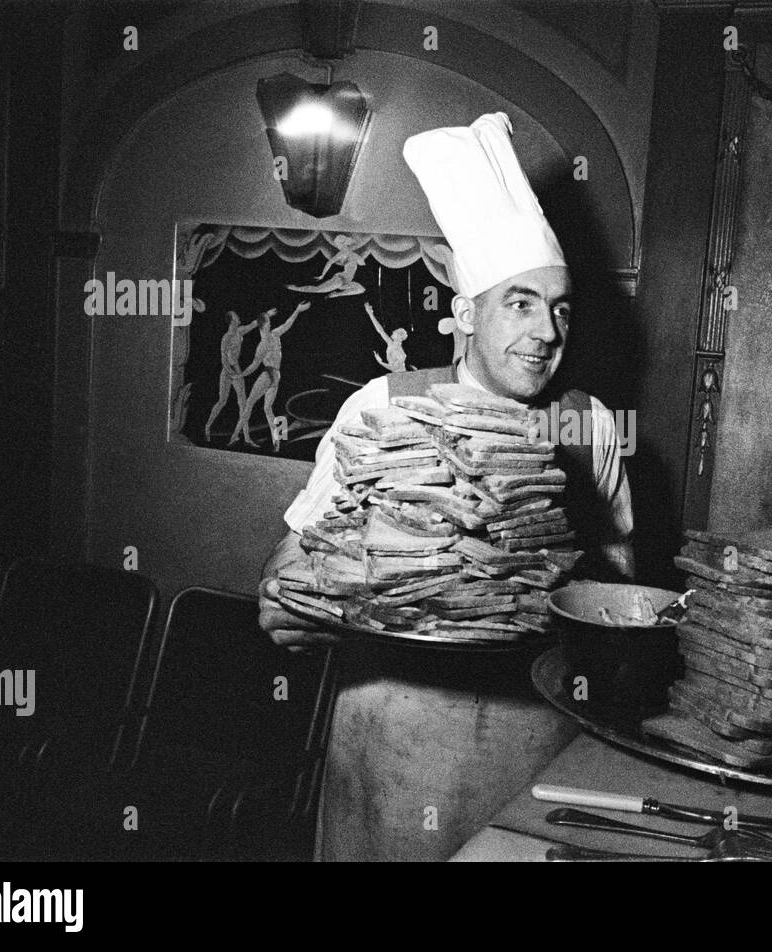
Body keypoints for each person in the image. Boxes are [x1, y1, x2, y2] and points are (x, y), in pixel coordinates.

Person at [256, 112, 634, 860]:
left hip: (537, 737)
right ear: (465, 314)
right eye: (520, 303)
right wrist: (283, 608)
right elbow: (296, 565)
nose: (547, 332)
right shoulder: (382, 407)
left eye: (560, 308)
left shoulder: (589, 425)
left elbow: (623, 588)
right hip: (389, 734)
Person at [233, 300, 310, 450]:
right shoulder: (275, 335)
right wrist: (297, 310)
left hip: (269, 373)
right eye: (268, 322)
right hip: (276, 376)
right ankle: (279, 440)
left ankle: (236, 435)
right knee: (267, 408)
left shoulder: (265, 343)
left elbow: (254, 365)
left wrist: (239, 375)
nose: (269, 324)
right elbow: (288, 323)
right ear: (265, 325)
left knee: (249, 403)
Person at [204, 311, 258, 442]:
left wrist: (266, 315)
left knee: (242, 403)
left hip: (236, 369)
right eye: (236, 315)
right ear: (232, 320)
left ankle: (245, 436)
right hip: (228, 371)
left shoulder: (239, 331)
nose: (239, 316)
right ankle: (207, 427)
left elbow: (253, 324)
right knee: (222, 401)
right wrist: (231, 373)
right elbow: (223, 359)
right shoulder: (226, 337)